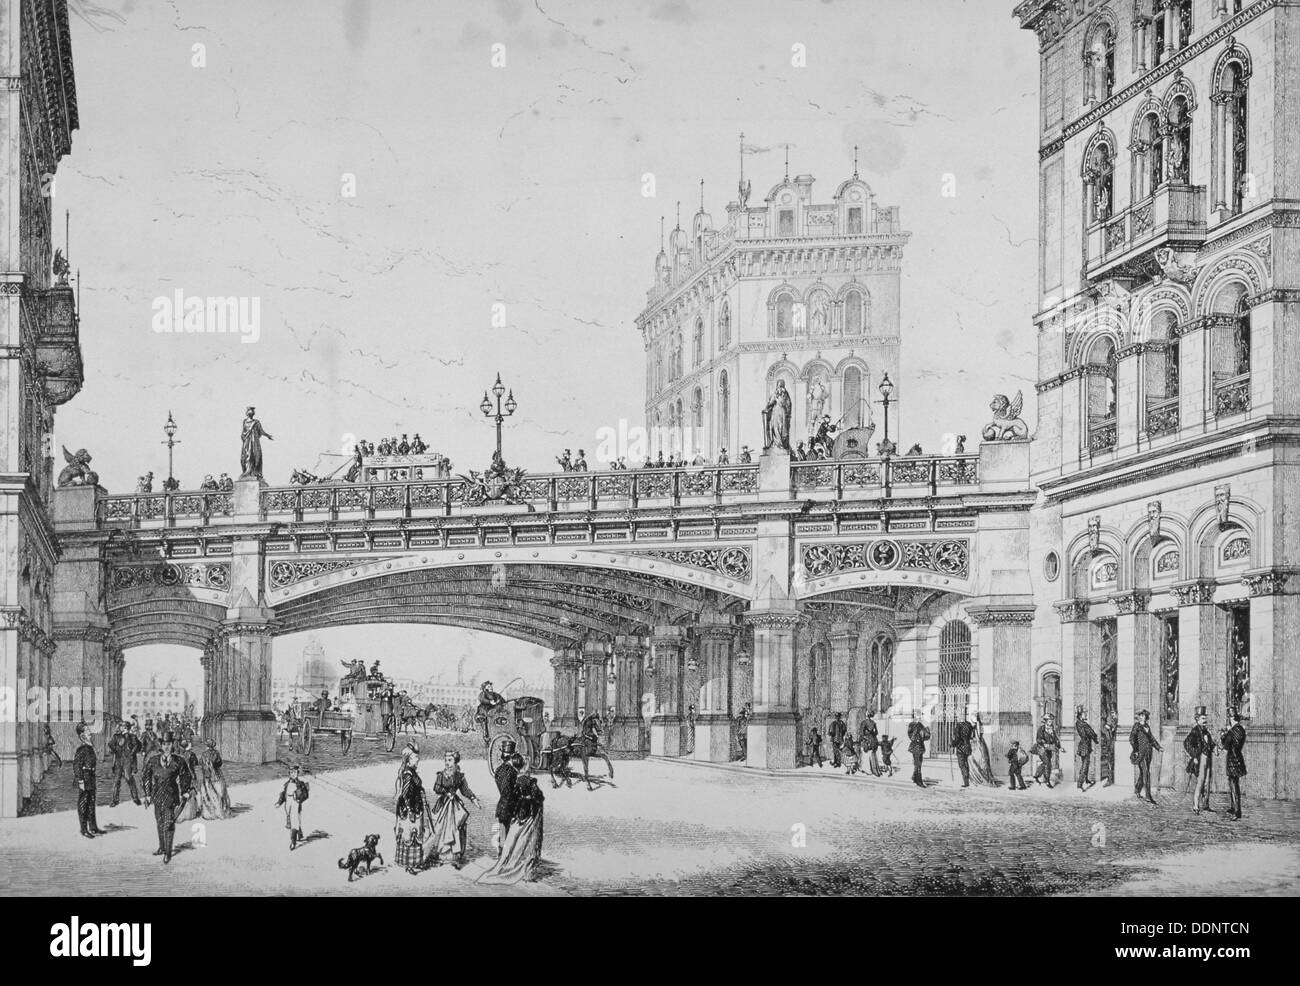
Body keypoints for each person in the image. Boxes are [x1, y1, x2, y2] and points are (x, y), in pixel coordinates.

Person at [477, 754, 545, 885]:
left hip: (511, 810)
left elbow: (510, 793)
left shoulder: (506, 774)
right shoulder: (527, 781)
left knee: (509, 839)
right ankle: (520, 869)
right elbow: (538, 797)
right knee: (525, 842)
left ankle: (504, 861)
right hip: (522, 813)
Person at [143, 731, 194, 863]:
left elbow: (185, 776)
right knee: (159, 822)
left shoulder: (179, 761)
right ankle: (161, 847)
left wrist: (185, 791)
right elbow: (146, 777)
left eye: (169, 744)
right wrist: (148, 794)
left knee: (169, 823)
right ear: (161, 745)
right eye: (164, 744)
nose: (166, 746)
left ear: (172, 745)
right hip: (157, 795)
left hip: (171, 796)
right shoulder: (153, 760)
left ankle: (168, 852)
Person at [429, 751, 480, 869]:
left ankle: (455, 856)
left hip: (455, 805)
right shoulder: (441, 775)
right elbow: (436, 787)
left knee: (457, 827)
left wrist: (473, 798)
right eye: (446, 760)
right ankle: (441, 855)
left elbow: (465, 790)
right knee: (441, 827)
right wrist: (446, 793)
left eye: (450, 760)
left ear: (456, 761)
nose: (447, 763)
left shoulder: (459, 776)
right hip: (443, 805)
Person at [394, 744, 432, 874]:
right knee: (409, 836)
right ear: (409, 760)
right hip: (409, 811)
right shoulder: (408, 774)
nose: (418, 760)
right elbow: (405, 793)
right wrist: (410, 810)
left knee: (415, 836)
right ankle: (409, 864)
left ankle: (415, 861)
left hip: (414, 808)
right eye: (416, 758)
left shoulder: (412, 772)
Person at [72, 722, 105, 839]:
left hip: (91, 778)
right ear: (82, 736)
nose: (90, 733)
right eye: (87, 731)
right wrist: (80, 781)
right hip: (84, 779)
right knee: (83, 804)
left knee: (91, 803)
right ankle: (84, 829)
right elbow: (76, 766)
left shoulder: (90, 747)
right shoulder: (81, 749)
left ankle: (93, 827)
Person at [1184, 706, 1216, 815]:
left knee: (1207, 781)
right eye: (1203, 718)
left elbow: (1210, 744)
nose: (1205, 720)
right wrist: (1194, 756)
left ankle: (1205, 805)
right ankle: (1196, 805)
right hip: (1201, 758)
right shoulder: (1195, 731)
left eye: (1205, 718)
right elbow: (1187, 744)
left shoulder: (1206, 731)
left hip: (1208, 758)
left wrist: (1214, 746)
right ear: (1197, 719)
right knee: (1200, 782)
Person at [492, 740, 520, 857]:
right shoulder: (512, 772)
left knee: (503, 830)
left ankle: (502, 853)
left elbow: (503, 789)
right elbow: (511, 791)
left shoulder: (498, 770)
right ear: (511, 756)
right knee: (510, 831)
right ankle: (506, 855)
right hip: (510, 805)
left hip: (502, 804)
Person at [274, 764, 310, 851]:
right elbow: (283, 793)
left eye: (294, 772)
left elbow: (306, 795)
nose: (293, 774)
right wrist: (279, 802)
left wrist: (299, 799)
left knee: (294, 822)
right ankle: (299, 832)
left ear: (298, 773)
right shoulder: (287, 784)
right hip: (288, 804)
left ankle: (293, 842)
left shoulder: (300, 784)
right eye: (291, 772)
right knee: (292, 820)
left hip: (295, 804)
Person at [1130, 709, 1162, 804]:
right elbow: (1132, 739)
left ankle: (1137, 789)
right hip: (1140, 753)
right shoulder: (1136, 726)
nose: (1141, 717)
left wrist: (1158, 747)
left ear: (1146, 717)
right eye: (1140, 715)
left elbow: (1151, 739)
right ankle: (1148, 796)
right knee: (1146, 773)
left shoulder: (1147, 726)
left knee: (1143, 773)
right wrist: (1135, 750)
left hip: (1148, 752)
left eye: (1143, 715)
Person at [1220, 708, 1247, 821]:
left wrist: (1223, 735)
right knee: (1234, 784)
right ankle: (1233, 807)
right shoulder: (1241, 729)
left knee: (1233, 785)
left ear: (1232, 718)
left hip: (1232, 759)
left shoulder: (1232, 731)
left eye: (1229, 718)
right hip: (1238, 758)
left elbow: (1226, 745)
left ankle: (1236, 811)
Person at [108, 721, 141, 807]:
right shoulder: (116, 736)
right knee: (116, 781)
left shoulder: (132, 737)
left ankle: (135, 798)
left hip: (128, 761)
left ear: (126, 727)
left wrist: (131, 753)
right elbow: (110, 744)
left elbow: (138, 746)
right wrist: (117, 749)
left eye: (122, 726)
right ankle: (115, 800)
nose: (120, 727)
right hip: (119, 761)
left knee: (129, 778)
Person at [197, 738, 232, 820]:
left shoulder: (204, 754)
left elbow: (200, 763)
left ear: (207, 746)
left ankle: (209, 813)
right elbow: (219, 763)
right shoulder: (216, 753)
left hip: (207, 775)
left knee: (208, 793)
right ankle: (220, 811)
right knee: (219, 792)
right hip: (216, 775)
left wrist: (206, 766)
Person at [239, 406, 273, 481]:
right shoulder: (244, 421)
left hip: (254, 442)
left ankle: (254, 472)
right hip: (247, 442)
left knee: (254, 456)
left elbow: (261, 431)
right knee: (245, 457)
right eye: (249, 412)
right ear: (247, 413)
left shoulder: (256, 422)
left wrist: (267, 435)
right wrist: (244, 437)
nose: (250, 413)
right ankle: (246, 472)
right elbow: (243, 432)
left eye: (252, 412)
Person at [174, 738, 203, 823]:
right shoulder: (191, 754)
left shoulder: (177, 755)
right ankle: (189, 813)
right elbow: (195, 764)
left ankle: (182, 813)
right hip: (189, 775)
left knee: (182, 792)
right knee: (189, 792)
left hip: (181, 776)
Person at [763, 379, 792, 452]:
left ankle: (778, 444)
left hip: (777, 412)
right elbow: (789, 404)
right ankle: (779, 444)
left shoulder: (776, 393)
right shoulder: (785, 394)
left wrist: (767, 408)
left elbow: (771, 402)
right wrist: (788, 413)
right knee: (780, 427)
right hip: (782, 412)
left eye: (779, 386)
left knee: (776, 427)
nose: (779, 387)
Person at [1076, 707, 1099, 791]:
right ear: (1080, 715)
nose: (1085, 714)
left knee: (1085, 762)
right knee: (1085, 765)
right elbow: (1091, 733)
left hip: (1083, 745)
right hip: (1085, 745)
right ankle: (1079, 784)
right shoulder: (1083, 724)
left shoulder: (1078, 723)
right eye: (1084, 713)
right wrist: (1095, 739)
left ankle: (1086, 780)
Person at [1034, 713, 1060, 788]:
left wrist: (1059, 747)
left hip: (1049, 749)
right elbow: (1038, 739)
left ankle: (1036, 775)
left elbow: (1056, 739)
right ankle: (1047, 781)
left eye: (1051, 721)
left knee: (1045, 763)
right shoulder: (1041, 729)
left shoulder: (1052, 729)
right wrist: (1043, 743)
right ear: (1045, 721)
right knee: (1048, 764)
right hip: (1041, 749)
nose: (1051, 722)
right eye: (1049, 721)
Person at [907, 710, 930, 788]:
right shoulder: (912, 724)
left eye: (920, 715)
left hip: (920, 746)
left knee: (918, 762)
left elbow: (924, 735)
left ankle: (914, 776)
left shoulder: (920, 724)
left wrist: (926, 732)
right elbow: (910, 735)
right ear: (914, 716)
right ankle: (919, 781)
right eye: (918, 715)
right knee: (918, 763)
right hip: (915, 746)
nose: (920, 717)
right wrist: (916, 736)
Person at [951, 715, 975, 787]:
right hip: (967, 746)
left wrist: (952, 744)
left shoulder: (959, 726)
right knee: (966, 763)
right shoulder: (969, 725)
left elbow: (957, 739)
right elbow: (971, 736)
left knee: (962, 765)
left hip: (961, 748)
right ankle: (967, 780)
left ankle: (966, 782)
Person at [859, 712, 881, 776]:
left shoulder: (865, 722)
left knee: (870, 754)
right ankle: (871, 769)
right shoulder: (872, 723)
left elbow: (861, 732)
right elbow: (876, 732)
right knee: (870, 754)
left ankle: (869, 769)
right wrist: (872, 734)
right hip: (871, 740)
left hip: (868, 740)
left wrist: (865, 737)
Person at [1100, 711, 1118, 787]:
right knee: (1109, 762)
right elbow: (1105, 732)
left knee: (1112, 762)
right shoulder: (1107, 726)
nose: (1112, 715)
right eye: (1111, 714)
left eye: (1113, 713)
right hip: (1110, 745)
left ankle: (1111, 779)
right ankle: (1110, 779)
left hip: (1114, 744)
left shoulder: (1116, 722)